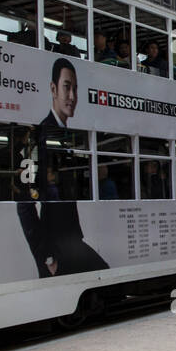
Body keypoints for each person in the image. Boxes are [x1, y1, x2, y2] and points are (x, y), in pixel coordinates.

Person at [17, 58, 108, 278]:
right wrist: (46, 256)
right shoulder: (39, 137)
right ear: (53, 89)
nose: (72, 97)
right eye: (67, 87)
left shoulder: (66, 137)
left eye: (75, 89)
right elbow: (24, 204)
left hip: (72, 240)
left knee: (105, 277)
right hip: (55, 250)